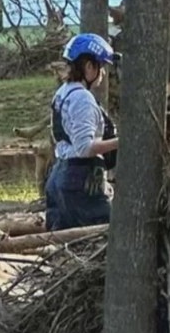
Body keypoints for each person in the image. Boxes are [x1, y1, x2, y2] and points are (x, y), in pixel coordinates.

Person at [45, 33, 120, 232]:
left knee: (63, 244)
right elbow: (85, 148)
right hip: (81, 181)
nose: (103, 74)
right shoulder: (83, 99)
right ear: (88, 67)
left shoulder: (63, 92)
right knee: (105, 233)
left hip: (58, 176)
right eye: (101, 67)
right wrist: (122, 142)